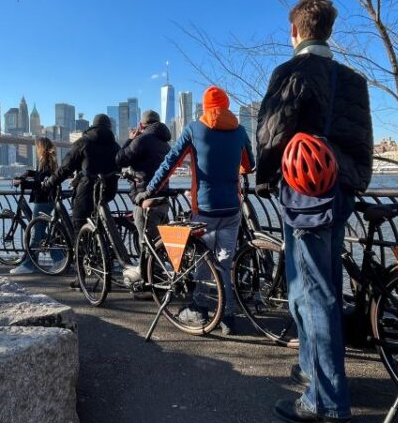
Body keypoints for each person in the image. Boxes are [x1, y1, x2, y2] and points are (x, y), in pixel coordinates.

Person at [255, 0, 373, 423]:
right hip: (341, 189)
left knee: (312, 291)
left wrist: (265, 178)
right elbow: (362, 141)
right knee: (320, 284)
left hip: (305, 191)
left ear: (295, 31)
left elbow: (271, 133)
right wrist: (353, 180)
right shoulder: (354, 80)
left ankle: (326, 400)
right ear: (328, 30)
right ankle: (312, 367)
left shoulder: (290, 72)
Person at [137, 86, 255, 336]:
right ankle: (228, 318)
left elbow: (170, 163)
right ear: (226, 105)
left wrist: (149, 190)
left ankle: (200, 308)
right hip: (232, 209)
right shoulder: (240, 130)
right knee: (224, 264)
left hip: (204, 209)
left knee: (203, 262)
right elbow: (249, 164)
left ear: (205, 106)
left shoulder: (194, 129)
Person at [115, 109, 172, 279]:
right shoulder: (165, 143)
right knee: (158, 243)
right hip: (163, 199)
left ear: (142, 125)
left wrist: (130, 139)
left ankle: (150, 282)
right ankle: (159, 276)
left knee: (146, 244)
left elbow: (120, 159)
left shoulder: (142, 139)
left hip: (145, 197)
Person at [44, 114, 120, 235]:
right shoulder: (116, 146)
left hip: (87, 192)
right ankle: (103, 244)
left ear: (93, 126)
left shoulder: (83, 142)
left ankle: (80, 246)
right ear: (109, 127)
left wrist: (50, 183)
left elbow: (66, 168)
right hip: (108, 191)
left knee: (79, 227)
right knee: (100, 225)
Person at [10, 137, 59, 275]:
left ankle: (28, 265)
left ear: (41, 148)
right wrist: (27, 173)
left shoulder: (45, 162)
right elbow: (40, 176)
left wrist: (22, 183)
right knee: (40, 233)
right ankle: (60, 258)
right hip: (47, 200)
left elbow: (40, 184)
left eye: (37, 147)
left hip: (43, 200)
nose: (36, 149)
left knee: (35, 233)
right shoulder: (48, 161)